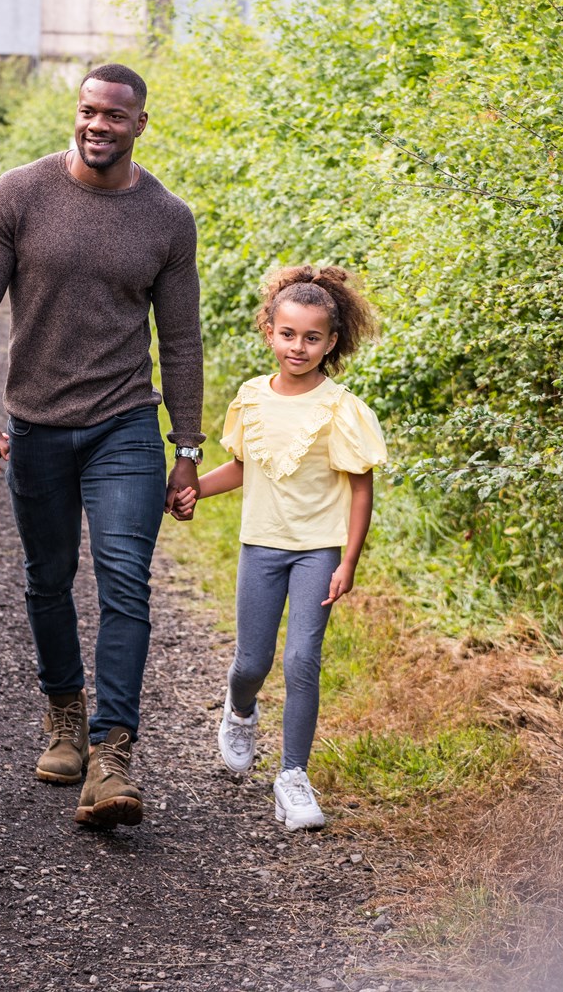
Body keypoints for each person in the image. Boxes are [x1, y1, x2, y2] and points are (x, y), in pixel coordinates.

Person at [0, 63, 204, 829]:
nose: (99, 126)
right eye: (89, 111)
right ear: (78, 113)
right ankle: (63, 712)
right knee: (47, 576)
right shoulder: (20, 195)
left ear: (140, 125)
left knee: (126, 579)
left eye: (115, 117)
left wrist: (186, 445)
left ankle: (113, 752)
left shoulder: (167, 217)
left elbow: (182, 340)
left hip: (126, 422)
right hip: (36, 425)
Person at [173, 265, 385, 831]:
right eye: (288, 334)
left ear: (331, 342)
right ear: (269, 331)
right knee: (252, 662)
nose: (299, 346)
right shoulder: (250, 399)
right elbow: (243, 468)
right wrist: (191, 488)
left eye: (312, 337)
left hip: (317, 551)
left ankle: (292, 777)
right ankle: (240, 710)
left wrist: (348, 561)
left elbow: (361, 488)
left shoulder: (341, 408)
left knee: (301, 661)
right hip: (261, 549)